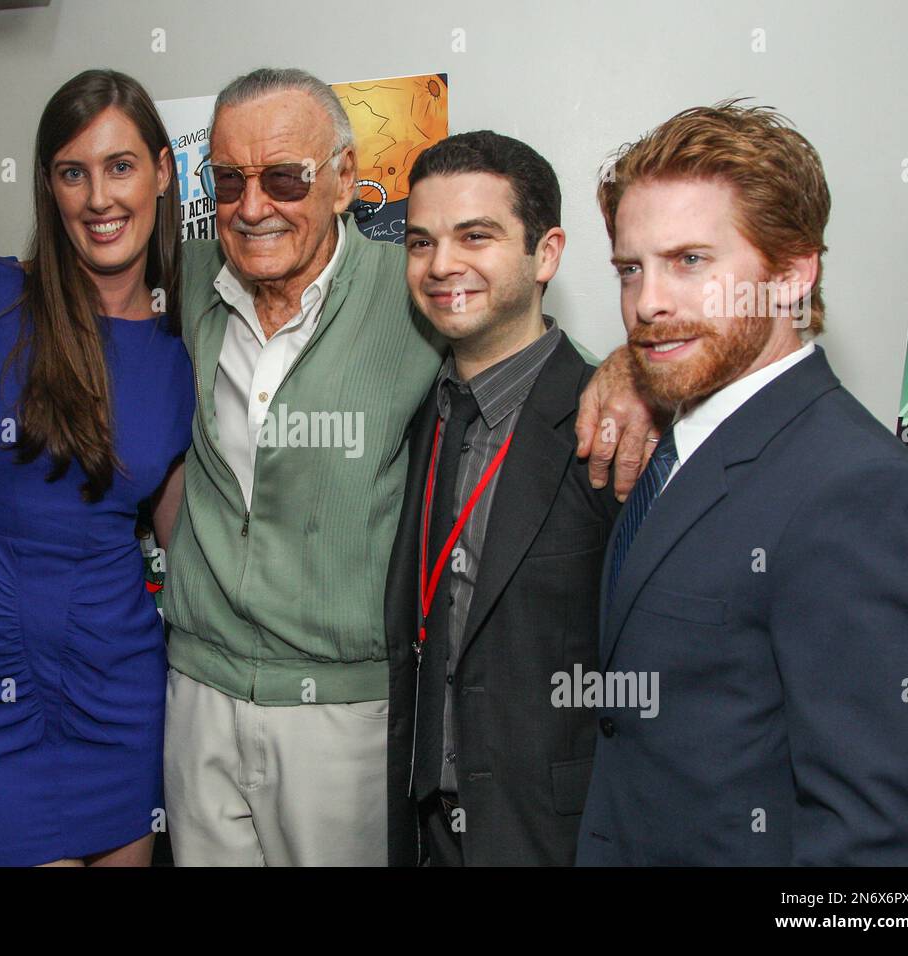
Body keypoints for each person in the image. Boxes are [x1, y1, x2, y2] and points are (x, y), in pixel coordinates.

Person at [162, 67, 653, 866]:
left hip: (347, 716)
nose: (253, 206)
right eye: (228, 180)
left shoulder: (408, 299)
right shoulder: (189, 278)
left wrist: (636, 374)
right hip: (199, 693)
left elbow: (527, 358)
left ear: (344, 180)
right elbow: (84, 279)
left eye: (284, 176)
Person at [576, 101, 908, 865]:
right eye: (630, 267)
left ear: (791, 274)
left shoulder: (858, 495)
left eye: (691, 261)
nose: (648, 301)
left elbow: (880, 841)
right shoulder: (676, 441)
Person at [0, 70, 192, 867]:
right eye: (73, 172)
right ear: (49, 187)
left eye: (121, 166)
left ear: (163, 172)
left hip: (116, 686)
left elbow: (186, 536)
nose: (99, 196)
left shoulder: (183, 349)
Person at [386, 131, 621, 866]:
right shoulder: (415, 409)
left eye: (475, 236)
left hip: (546, 834)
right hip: (422, 825)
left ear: (545, 253)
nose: (442, 264)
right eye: (420, 243)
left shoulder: (611, 427)